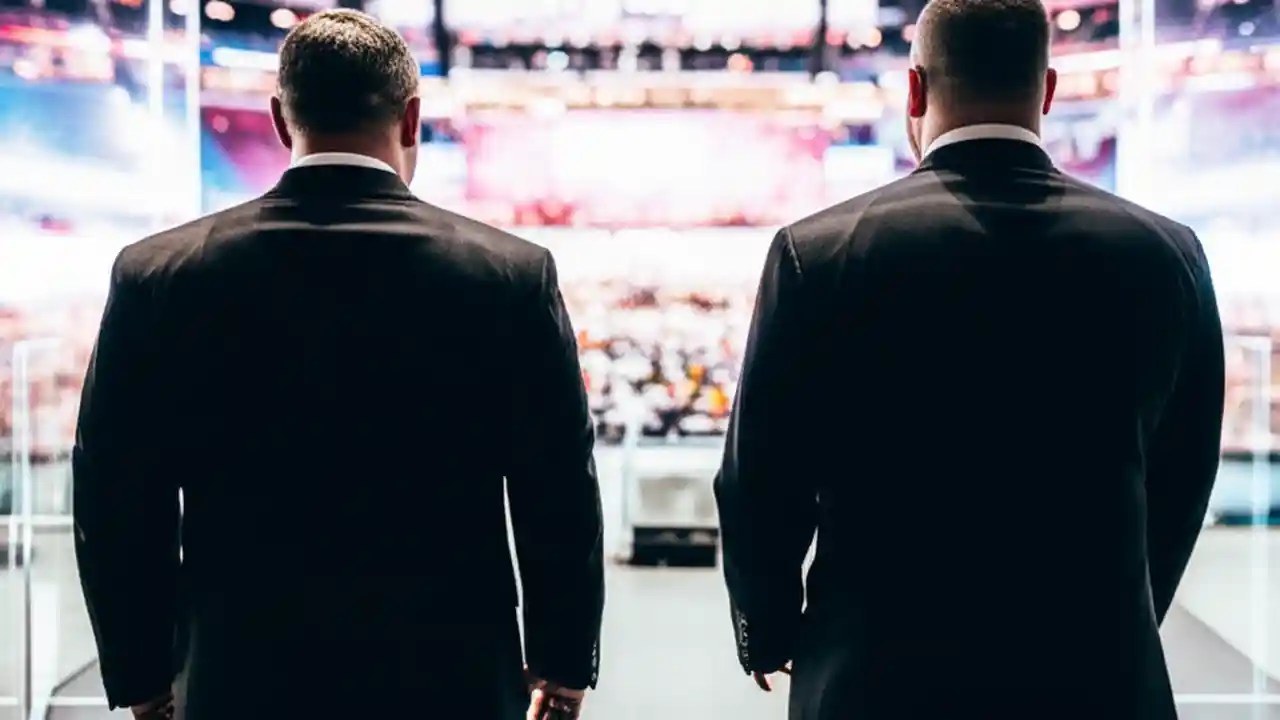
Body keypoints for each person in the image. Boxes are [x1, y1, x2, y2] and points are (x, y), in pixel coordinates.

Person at [72, 10, 603, 720]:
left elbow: (114, 495)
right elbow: (558, 489)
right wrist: (562, 665)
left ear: (279, 120)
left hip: (240, 670)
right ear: (411, 119)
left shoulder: (159, 274)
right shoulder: (510, 275)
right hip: (452, 673)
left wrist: (141, 677)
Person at [714, 0, 1224, 718]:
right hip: (1095, 675)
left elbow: (761, 479)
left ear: (915, 89)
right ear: (1047, 90)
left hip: (874, 679)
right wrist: (1124, 618)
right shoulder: (1167, 254)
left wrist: (767, 629)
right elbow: (1184, 477)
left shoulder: (817, 253)